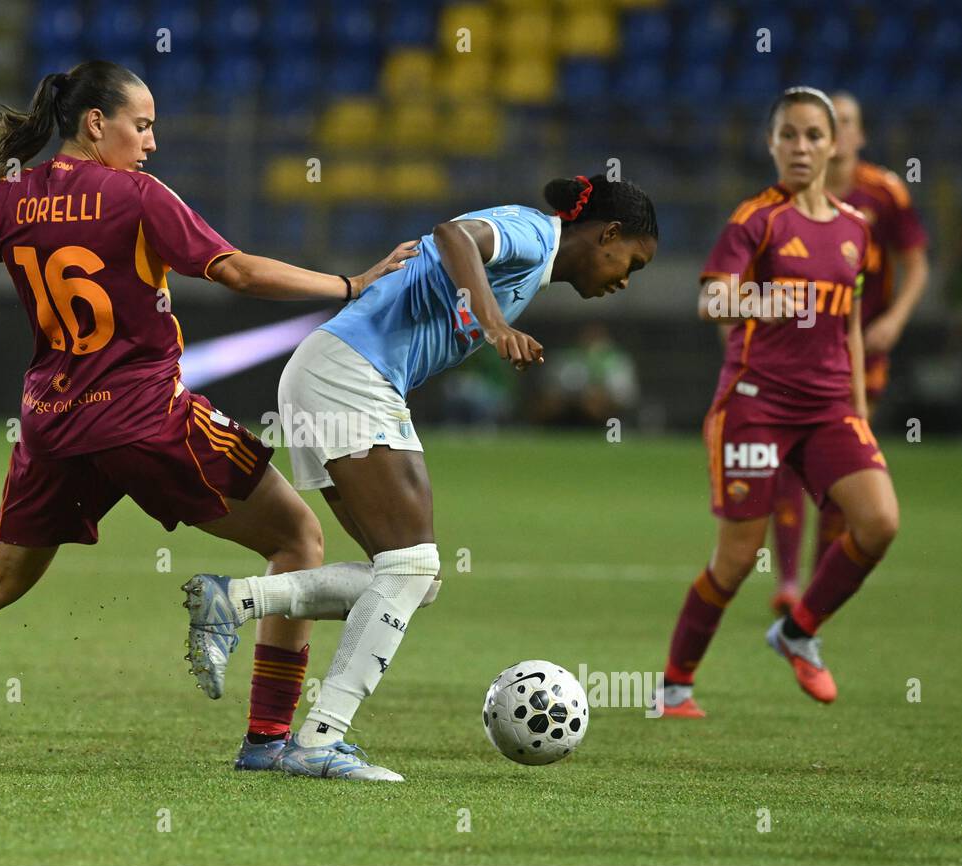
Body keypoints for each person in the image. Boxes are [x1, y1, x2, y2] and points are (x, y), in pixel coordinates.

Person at [0, 60, 415, 761]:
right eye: (142, 125)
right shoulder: (137, 195)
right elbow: (234, 270)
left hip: (53, 425)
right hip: (144, 418)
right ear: (96, 123)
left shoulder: (8, 198)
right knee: (297, 541)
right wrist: (350, 282)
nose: (152, 142)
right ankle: (269, 739)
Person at [186, 174, 658, 780]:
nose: (624, 280)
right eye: (632, 263)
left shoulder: (533, 259)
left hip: (326, 372)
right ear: (608, 234)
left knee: (412, 578)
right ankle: (319, 737)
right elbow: (453, 235)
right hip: (351, 376)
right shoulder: (536, 233)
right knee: (412, 567)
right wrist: (493, 324)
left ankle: (238, 601)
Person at [659, 87, 898, 718]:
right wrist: (769, 302)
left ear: (835, 144)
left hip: (828, 409)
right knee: (737, 559)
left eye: (813, 135)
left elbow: (846, 322)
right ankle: (675, 684)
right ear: (771, 143)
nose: (800, 146)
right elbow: (712, 300)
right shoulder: (756, 218)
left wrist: (858, 406)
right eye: (788, 135)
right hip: (755, 404)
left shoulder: (854, 229)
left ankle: (798, 630)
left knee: (879, 522)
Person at [766, 90, 928, 614]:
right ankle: (787, 585)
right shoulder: (781, 201)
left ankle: (818, 584)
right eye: (800, 132)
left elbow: (917, 263)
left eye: (837, 126)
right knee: (790, 465)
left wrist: (894, 321)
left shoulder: (883, 194)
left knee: (841, 474)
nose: (815, 141)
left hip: (856, 348)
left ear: (852, 137)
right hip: (796, 354)